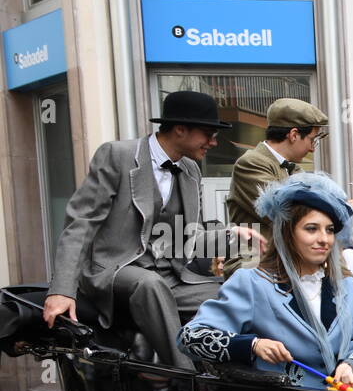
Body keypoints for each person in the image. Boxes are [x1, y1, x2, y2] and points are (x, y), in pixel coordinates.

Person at [43, 90, 264, 369]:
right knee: (151, 285)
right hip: (115, 270)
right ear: (180, 129)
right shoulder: (117, 155)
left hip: (170, 274)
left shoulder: (191, 170)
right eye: (208, 133)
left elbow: (189, 238)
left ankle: (241, 379)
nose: (213, 142)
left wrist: (232, 236)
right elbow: (81, 223)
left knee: (231, 295)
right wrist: (61, 289)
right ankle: (189, 381)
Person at [177, 173, 353, 390]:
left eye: (329, 230)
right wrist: (253, 345)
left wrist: (351, 366)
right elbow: (191, 337)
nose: (324, 239)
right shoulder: (253, 284)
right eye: (311, 228)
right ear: (287, 233)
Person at [225, 98, 329, 275]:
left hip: (287, 261)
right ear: (294, 135)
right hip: (255, 262)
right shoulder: (251, 163)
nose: (312, 149)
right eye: (312, 140)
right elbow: (289, 213)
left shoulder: (295, 169)